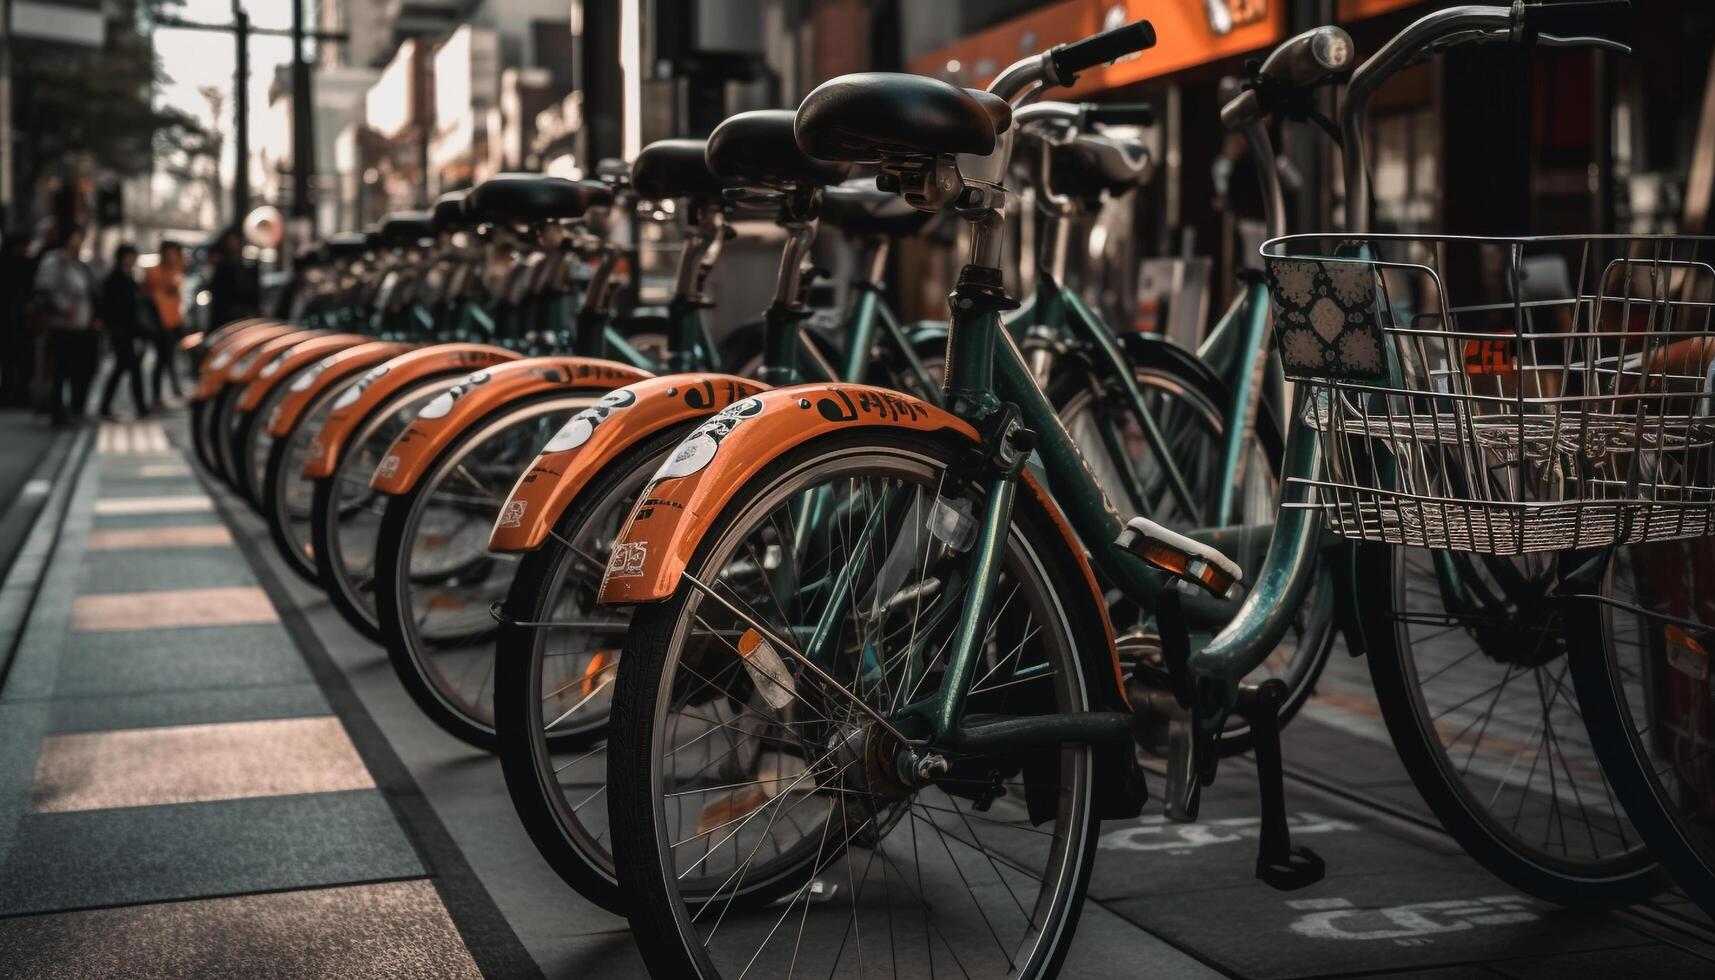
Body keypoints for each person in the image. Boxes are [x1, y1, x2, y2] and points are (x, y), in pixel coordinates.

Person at [32, 226, 100, 426]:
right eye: (75, 239)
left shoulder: (80, 264)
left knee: (81, 368)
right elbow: (42, 290)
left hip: (81, 325)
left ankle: (74, 408)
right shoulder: (55, 262)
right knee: (61, 370)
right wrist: (60, 309)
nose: (78, 244)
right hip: (61, 325)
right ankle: (57, 412)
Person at [97, 243, 151, 420]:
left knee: (123, 369)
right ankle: (139, 406)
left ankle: (107, 406)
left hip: (126, 331)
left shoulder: (127, 278)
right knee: (130, 369)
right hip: (122, 331)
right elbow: (117, 307)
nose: (133, 260)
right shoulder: (116, 279)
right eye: (131, 256)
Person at [144, 239, 186, 403]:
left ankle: (174, 390)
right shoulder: (155, 272)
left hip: (173, 320)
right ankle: (159, 395)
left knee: (170, 358)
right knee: (163, 359)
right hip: (159, 321)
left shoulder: (176, 269)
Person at [0, 231, 38, 407]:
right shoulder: (25, 265)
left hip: (11, 321)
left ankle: (10, 394)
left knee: (9, 361)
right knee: (19, 360)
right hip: (19, 321)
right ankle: (19, 394)